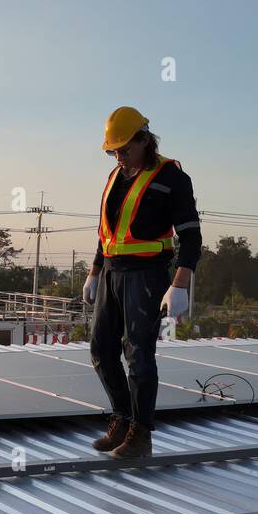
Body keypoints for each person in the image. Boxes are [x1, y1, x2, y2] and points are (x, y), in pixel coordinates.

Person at [83, 106, 202, 459]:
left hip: (147, 276)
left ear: (144, 140)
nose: (119, 157)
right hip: (111, 273)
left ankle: (141, 433)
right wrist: (94, 271)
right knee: (101, 350)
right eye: (113, 151)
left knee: (139, 355)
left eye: (125, 149)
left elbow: (191, 238)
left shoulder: (172, 178)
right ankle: (122, 418)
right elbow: (106, 232)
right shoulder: (115, 177)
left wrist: (180, 284)